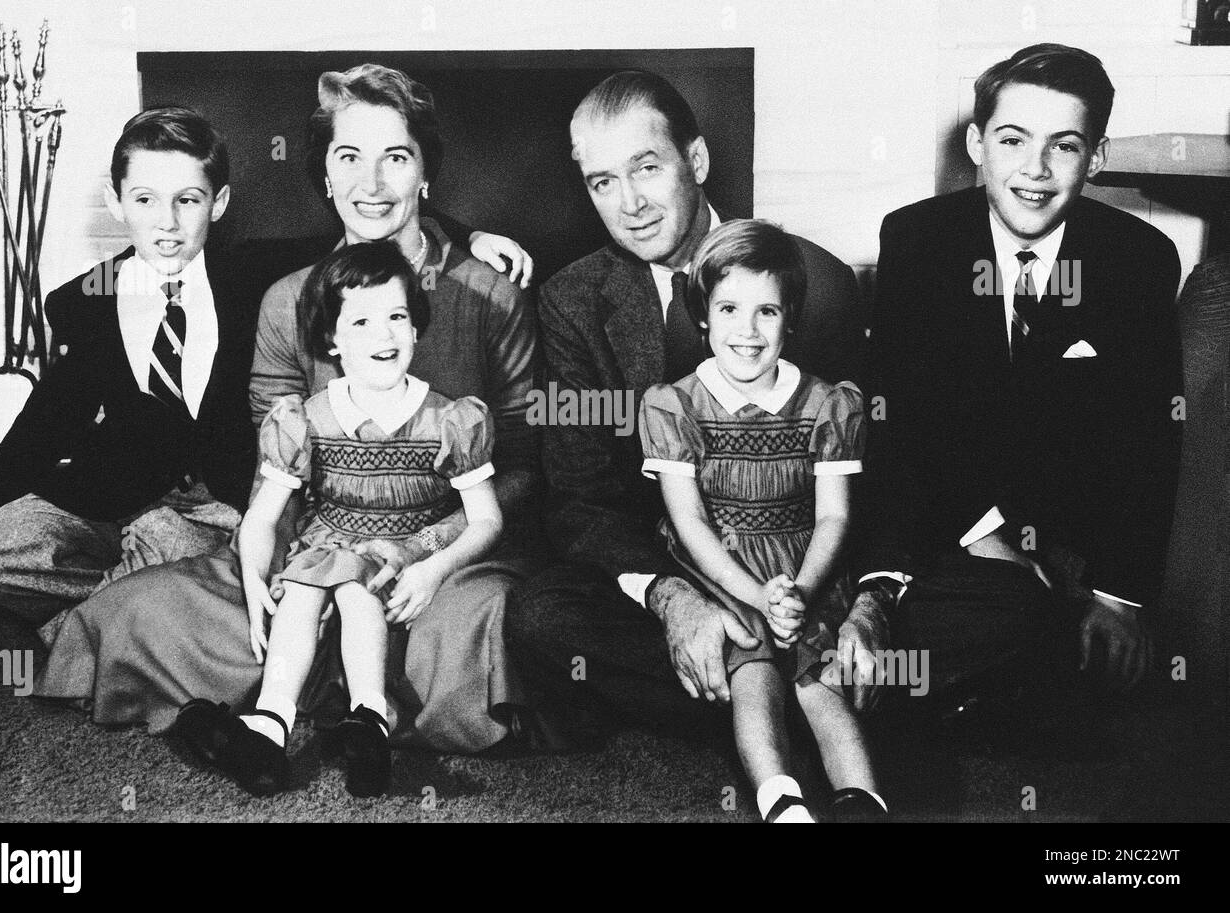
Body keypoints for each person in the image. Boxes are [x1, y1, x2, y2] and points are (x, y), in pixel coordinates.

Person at [36, 64, 540, 755]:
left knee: (475, 627)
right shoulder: (286, 296)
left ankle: (345, 690)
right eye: (348, 158)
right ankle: (309, 688)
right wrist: (288, 567)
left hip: (444, 562)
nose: (371, 184)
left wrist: (420, 552)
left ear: (426, 174)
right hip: (316, 544)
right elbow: (274, 470)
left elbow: (521, 469)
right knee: (135, 615)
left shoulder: (491, 296)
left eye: (396, 158)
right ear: (325, 178)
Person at [504, 70, 869, 767]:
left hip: (804, 571)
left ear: (695, 162)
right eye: (602, 182)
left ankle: (757, 692)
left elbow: (872, 485)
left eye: (646, 168)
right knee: (541, 614)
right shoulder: (572, 300)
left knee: (982, 610)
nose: (630, 203)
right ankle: (798, 697)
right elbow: (579, 500)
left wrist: (856, 603)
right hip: (673, 562)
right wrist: (674, 598)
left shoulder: (812, 281)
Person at [855, 44, 1183, 715]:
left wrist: (1119, 596)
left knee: (1106, 657)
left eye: (1064, 146)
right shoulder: (919, 242)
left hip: (1068, 541)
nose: (1035, 170)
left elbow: (1149, 439)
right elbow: (900, 422)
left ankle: (882, 688)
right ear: (977, 144)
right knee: (1001, 619)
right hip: (952, 519)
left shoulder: (1138, 259)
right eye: (1012, 140)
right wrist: (986, 535)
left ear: (1095, 157)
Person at [177, 243, 503, 796]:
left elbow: (487, 520)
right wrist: (255, 579)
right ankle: (270, 726)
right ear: (331, 339)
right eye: (361, 321)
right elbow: (262, 518)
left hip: (403, 549)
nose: (384, 335)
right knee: (303, 588)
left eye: (397, 316)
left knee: (353, 589)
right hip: (324, 545)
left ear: (416, 329)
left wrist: (432, 569)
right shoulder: (304, 418)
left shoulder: (450, 418)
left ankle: (368, 717)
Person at [0, 107, 259, 625]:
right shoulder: (86, 300)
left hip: (213, 503)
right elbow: (60, 405)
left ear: (218, 203)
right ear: (116, 203)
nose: (168, 222)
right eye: (145, 200)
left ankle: (86, 626)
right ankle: (130, 606)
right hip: (113, 492)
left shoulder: (253, 289)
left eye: (188, 200)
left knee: (167, 539)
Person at [640, 219, 884, 822]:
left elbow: (833, 517)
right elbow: (690, 524)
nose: (746, 332)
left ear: (790, 320)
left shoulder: (829, 403)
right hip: (721, 570)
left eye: (767, 312)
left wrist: (798, 590)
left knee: (819, 682)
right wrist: (755, 595)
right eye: (728, 308)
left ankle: (861, 798)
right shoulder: (673, 405)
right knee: (753, 679)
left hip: (802, 565)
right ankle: (782, 799)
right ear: (702, 315)